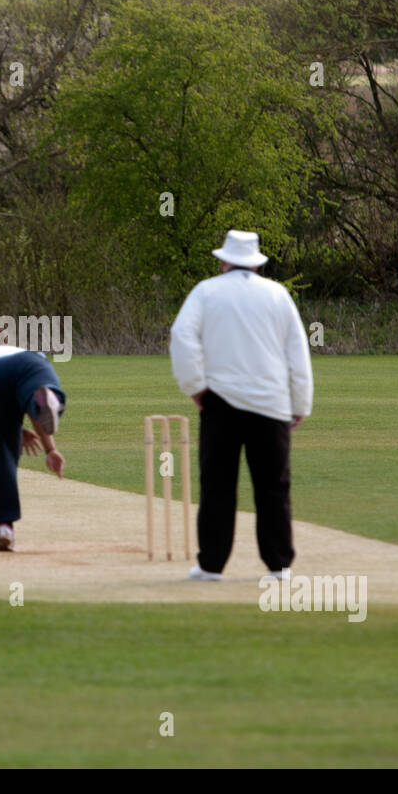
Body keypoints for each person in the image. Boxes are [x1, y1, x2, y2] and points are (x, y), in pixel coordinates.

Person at [169, 230, 313, 581]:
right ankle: (279, 566)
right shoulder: (278, 295)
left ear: (224, 260)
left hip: (221, 403)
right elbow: (297, 352)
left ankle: (211, 565)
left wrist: (196, 387)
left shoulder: (207, 290)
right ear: (257, 262)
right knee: (273, 486)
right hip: (271, 404)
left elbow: (181, 337)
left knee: (218, 484)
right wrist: (300, 404)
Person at [0, 335, 67, 551]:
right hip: (30, 364)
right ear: (0, 339)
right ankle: (45, 399)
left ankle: (5, 527)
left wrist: (15, 429)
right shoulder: (17, 348)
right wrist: (50, 449)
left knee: (3, 452)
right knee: (40, 398)